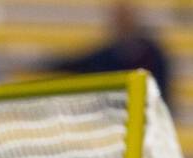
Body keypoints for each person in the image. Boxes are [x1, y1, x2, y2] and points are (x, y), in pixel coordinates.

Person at [46, 3, 174, 112]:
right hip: (117, 118)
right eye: (118, 19)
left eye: (124, 18)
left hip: (146, 116)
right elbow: (76, 63)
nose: (120, 23)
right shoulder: (108, 53)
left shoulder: (151, 53)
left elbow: (161, 88)